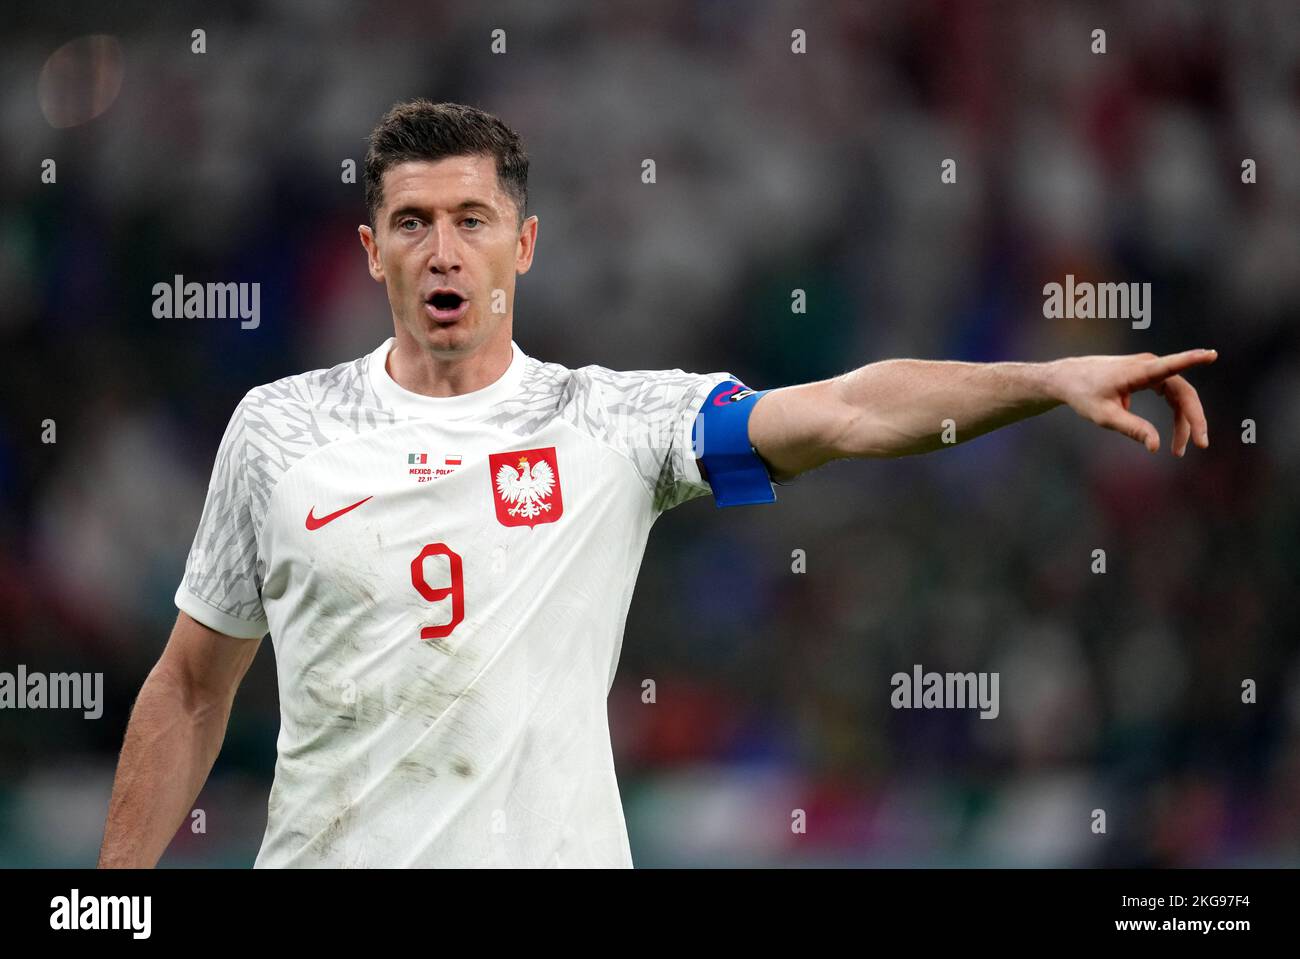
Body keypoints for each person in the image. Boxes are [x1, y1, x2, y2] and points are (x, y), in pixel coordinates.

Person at [98, 99, 1216, 868]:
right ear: (369, 248)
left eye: (471, 221)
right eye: (413, 223)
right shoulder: (278, 429)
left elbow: (845, 410)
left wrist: (1042, 375)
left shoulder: (610, 420)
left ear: (522, 246)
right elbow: (194, 685)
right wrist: (108, 894)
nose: (443, 250)